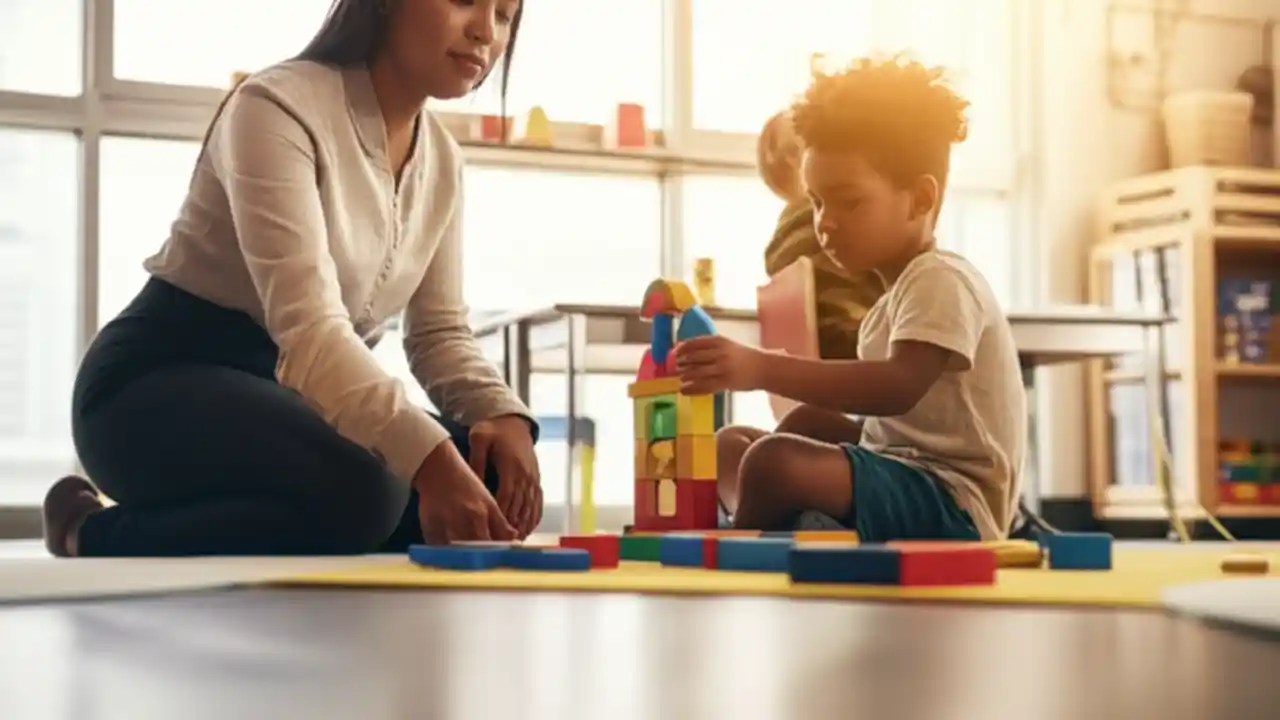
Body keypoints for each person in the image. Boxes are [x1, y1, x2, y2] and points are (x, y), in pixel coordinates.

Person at [41, 0, 541, 557]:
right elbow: (312, 335)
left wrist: (502, 413)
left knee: (481, 473)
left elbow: (438, 333)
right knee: (374, 488)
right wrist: (428, 460)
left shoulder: (443, 160)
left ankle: (305, 515)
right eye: (466, 1)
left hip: (293, 401)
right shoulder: (276, 104)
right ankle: (87, 530)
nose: (485, 33)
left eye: (505, 14)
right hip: (152, 387)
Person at [682, 56, 1027, 542]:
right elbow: (885, 424)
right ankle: (790, 523)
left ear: (920, 199)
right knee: (736, 442)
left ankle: (754, 541)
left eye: (850, 201)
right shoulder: (890, 300)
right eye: (818, 202)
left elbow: (894, 388)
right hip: (901, 474)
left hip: (953, 503)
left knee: (771, 462)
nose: (826, 222)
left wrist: (761, 368)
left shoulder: (941, 280)